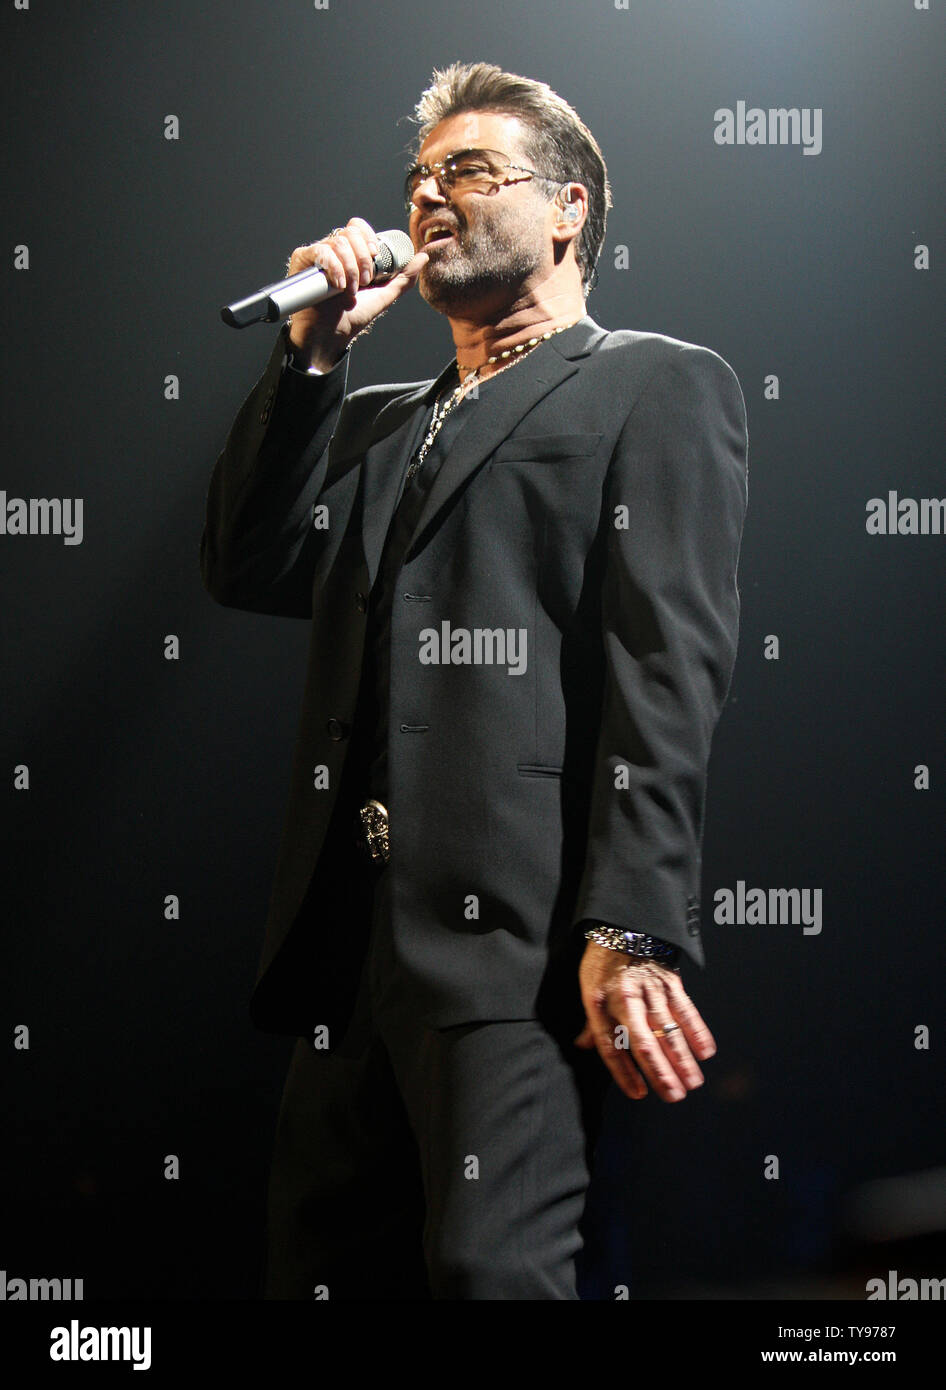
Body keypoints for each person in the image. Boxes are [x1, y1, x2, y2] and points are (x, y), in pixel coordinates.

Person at [201, 61, 749, 1300]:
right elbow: (246, 562)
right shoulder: (376, 420)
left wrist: (630, 920)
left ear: (568, 207)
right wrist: (310, 360)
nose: (427, 198)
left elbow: (667, 667)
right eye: (416, 179)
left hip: (511, 945)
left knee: (488, 1276)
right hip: (343, 951)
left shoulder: (652, 383)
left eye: (468, 170)